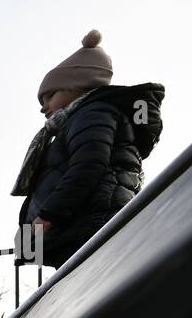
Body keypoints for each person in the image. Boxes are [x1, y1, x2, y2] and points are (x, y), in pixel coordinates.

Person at [13, 30, 164, 269]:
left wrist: (47, 217)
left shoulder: (92, 114)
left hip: (90, 226)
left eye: (50, 96)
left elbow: (88, 166)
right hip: (80, 227)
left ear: (76, 87)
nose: (44, 108)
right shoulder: (77, 121)